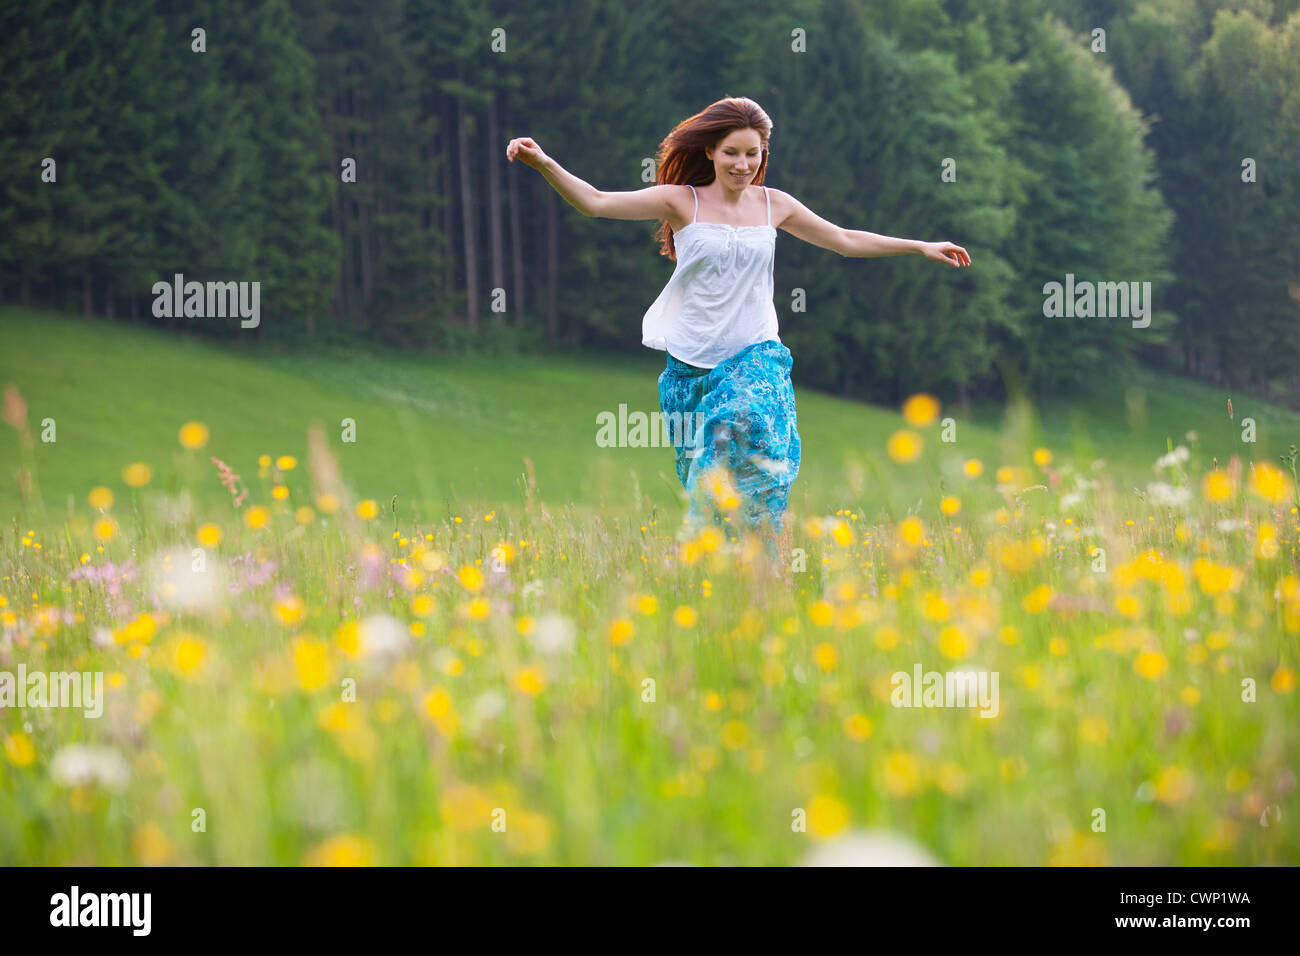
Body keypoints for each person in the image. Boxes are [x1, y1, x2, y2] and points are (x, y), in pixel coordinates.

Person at [506, 96, 969, 574]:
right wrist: (543, 163)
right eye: (732, 152)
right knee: (705, 481)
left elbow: (845, 240)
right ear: (710, 151)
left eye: (753, 154)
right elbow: (596, 203)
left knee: (742, 420)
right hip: (690, 366)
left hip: (756, 352)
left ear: (764, 154)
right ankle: (728, 573)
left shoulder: (775, 206)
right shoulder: (680, 200)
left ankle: (768, 573)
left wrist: (919, 246)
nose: (743, 164)